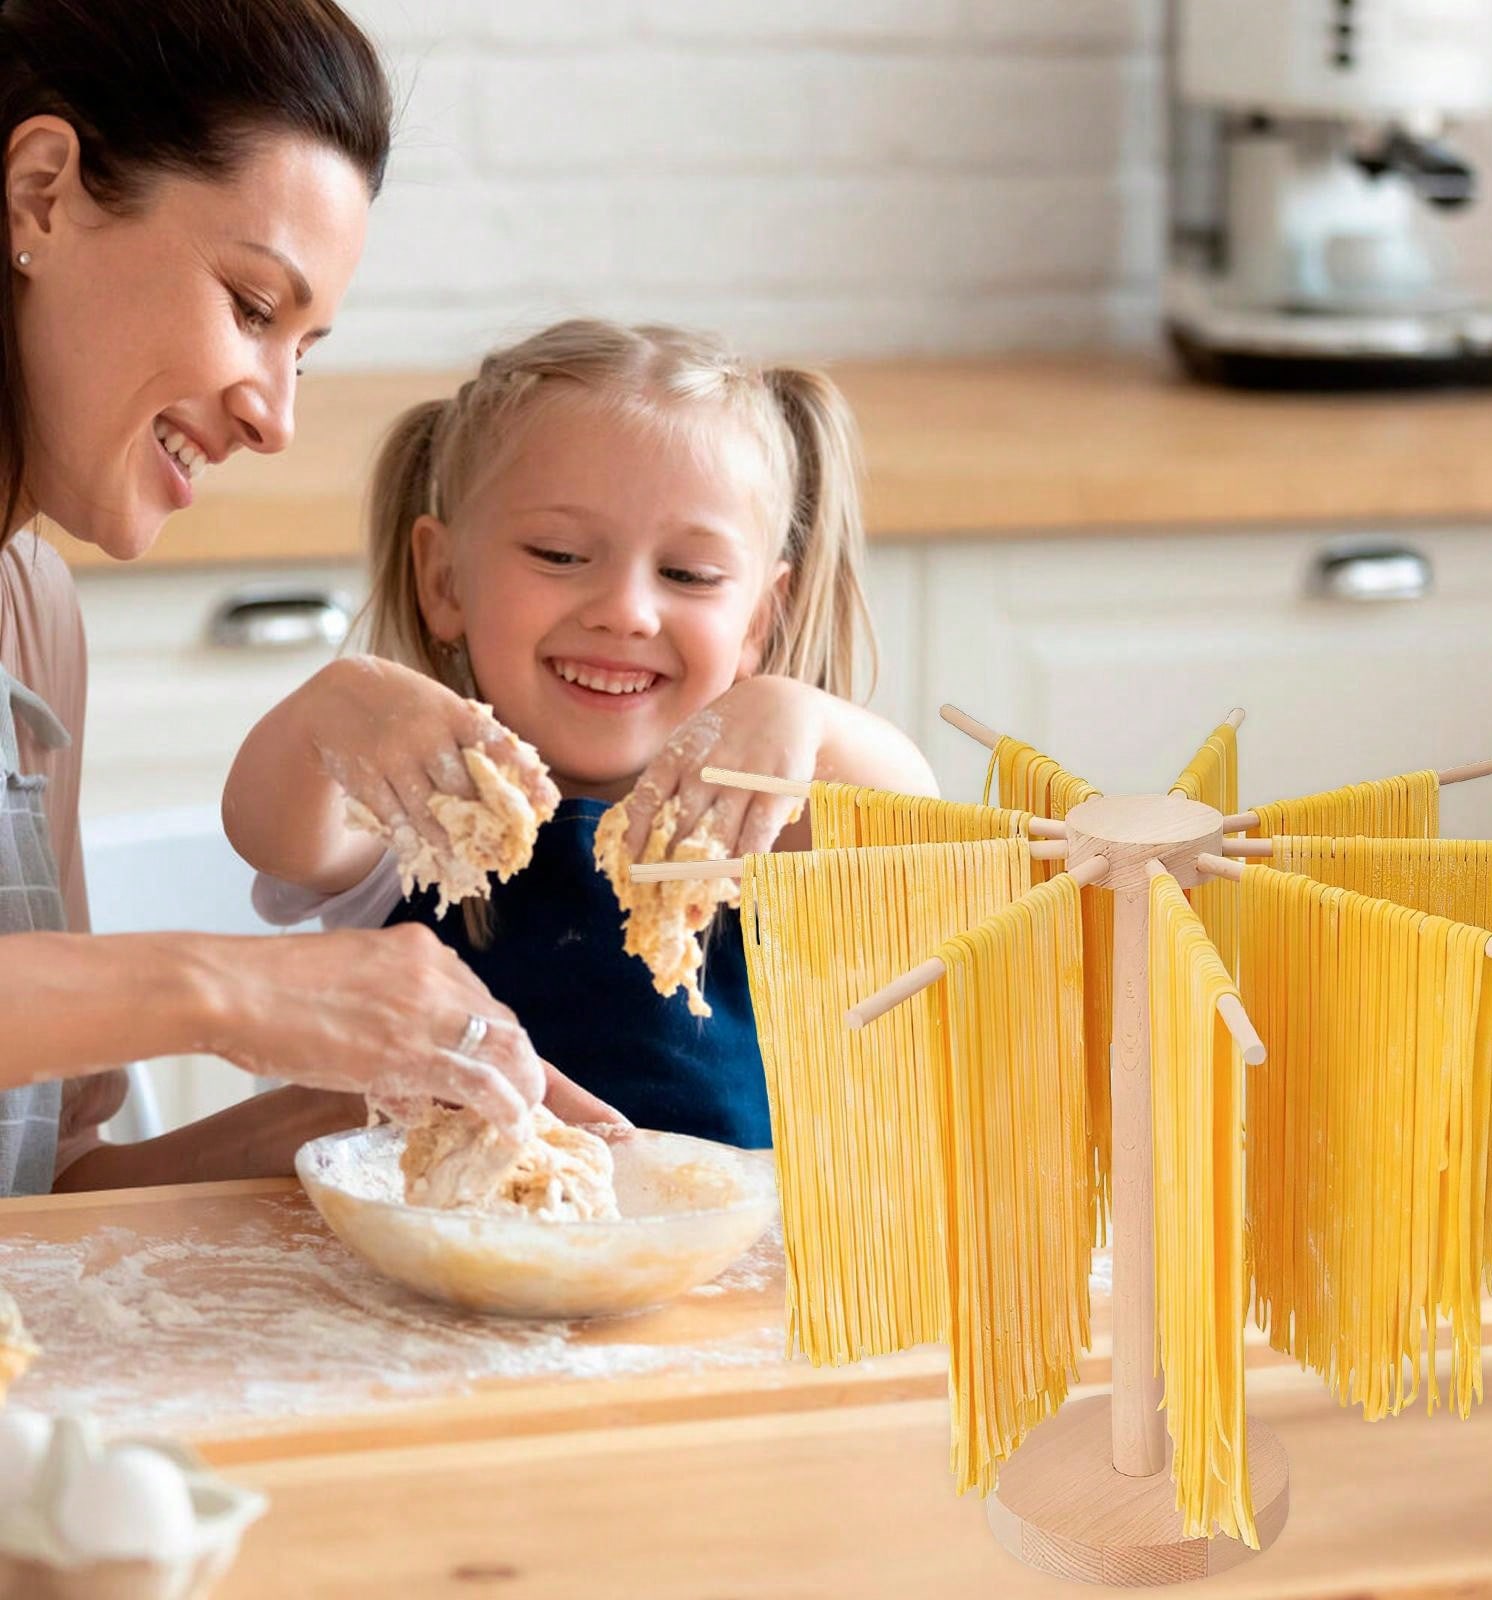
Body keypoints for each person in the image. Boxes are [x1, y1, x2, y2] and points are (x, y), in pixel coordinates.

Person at [0, 0, 585, 1199]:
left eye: (303, 350)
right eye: (253, 309)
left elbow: (42, 1189)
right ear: (43, 193)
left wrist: (338, 1117)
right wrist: (236, 992)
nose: (275, 415)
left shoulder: (31, 615)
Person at [224, 318, 938, 1147]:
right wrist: (334, 711)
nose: (625, 612)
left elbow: (911, 832)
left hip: (719, 1274)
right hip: (423, 1270)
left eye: (688, 575)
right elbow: (271, 833)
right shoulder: (418, 804)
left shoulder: (770, 832)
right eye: (560, 555)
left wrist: (806, 721)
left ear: (758, 621)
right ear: (444, 579)